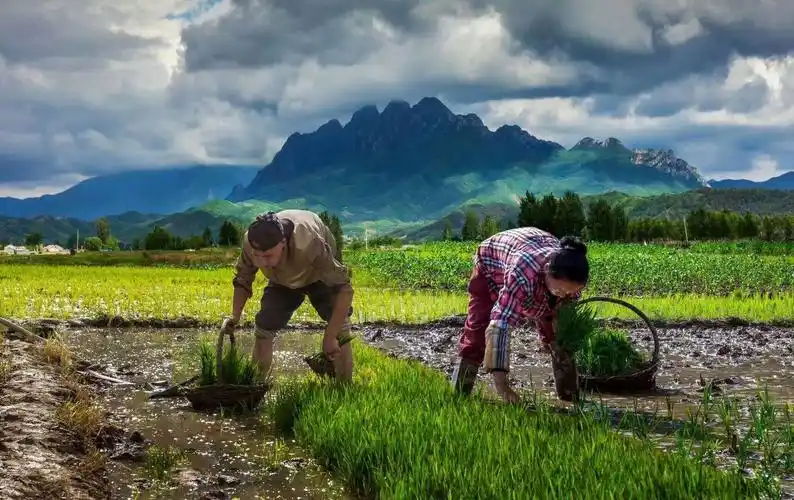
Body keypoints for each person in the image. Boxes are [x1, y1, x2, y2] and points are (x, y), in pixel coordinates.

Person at [450, 227, 589, 403]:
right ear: (546, 270)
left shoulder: (572, 279)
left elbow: (563, 311)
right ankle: (459, 393)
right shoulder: (523, 270)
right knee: (478, 332)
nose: (563, 294)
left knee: (560, 336)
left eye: (570, 292)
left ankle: (569, 393)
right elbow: (500, 324)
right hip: (491, 265)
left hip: (533, 249)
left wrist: (555, 335)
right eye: (560, 289)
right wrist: (503, 388)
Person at [220, 210, 355, 382]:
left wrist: (330, 335)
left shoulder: (310, 243)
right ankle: (254, 387)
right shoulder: (250, 242)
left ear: (283, 243)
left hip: (319, 275)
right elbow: (243, 278)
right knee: (264, 325)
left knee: (339, 327)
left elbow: (344, 289)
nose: (261, 263)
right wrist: (235, 316)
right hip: (281, 280)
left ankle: (344, 388)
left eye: (268, 256)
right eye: (257, 256)